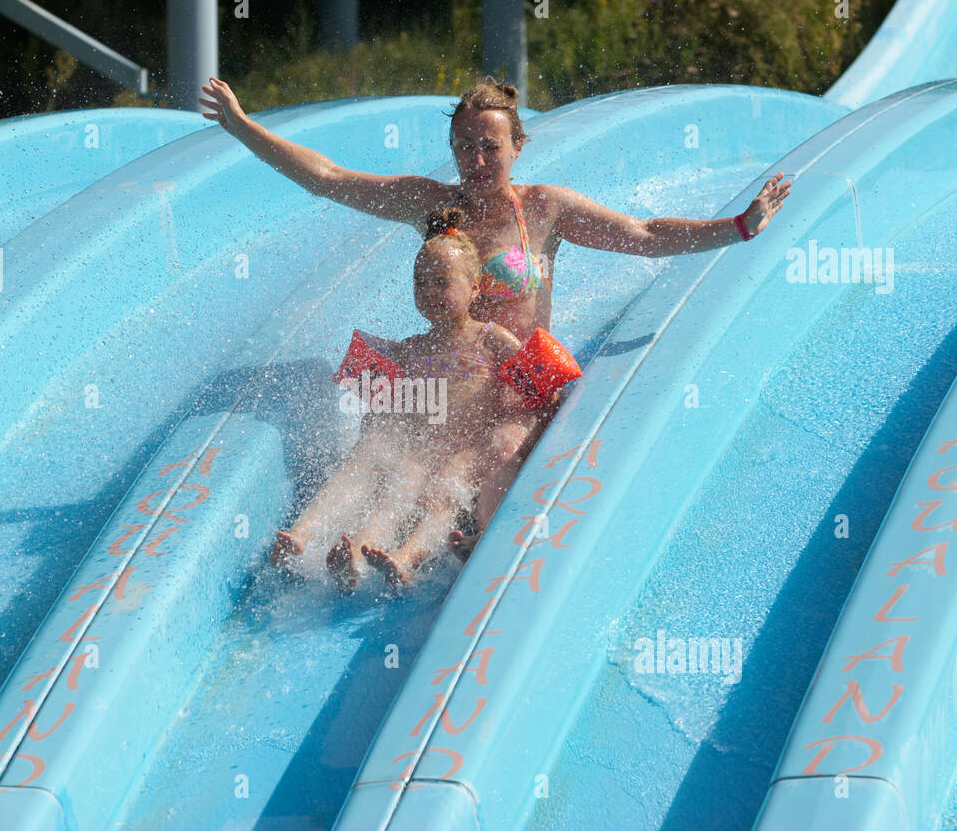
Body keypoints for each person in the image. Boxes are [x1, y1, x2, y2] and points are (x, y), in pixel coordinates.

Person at [201, 75, 790, 541]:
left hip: (512, 384)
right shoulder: (434, 206)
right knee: (381, 444)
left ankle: (474, 546)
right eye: (464, 148)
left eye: (490, 147)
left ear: (517, 147)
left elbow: (643, 233)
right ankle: (331, 541)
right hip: (449, 376)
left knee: (503, 449)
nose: (477, 161)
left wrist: (737, 227)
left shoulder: (544, 211)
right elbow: (329, 178)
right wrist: (243, 126)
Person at [271, 206, 573, 590]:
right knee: (388, 477)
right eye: (420, 283)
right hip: (422, 448)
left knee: (442, 492)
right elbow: (387, 409)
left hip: (467, 449)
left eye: (441, 282)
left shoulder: (490, 338)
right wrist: (377, 415)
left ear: (475, 288)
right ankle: (320, 541)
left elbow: (538, 383)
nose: (429, 292)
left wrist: (548, 400)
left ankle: (408, 557)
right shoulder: (410, 349)